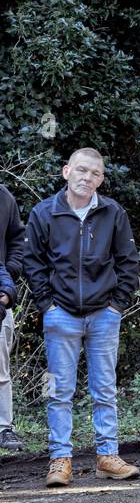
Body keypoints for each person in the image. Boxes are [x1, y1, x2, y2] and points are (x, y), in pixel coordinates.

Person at [24, 148, 140, 487]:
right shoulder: (45, 213)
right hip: (61, 316)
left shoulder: (113, 213)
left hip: (104, 314)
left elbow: (128, 262)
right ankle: (60, 460)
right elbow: (33, 262)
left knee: (104, 388)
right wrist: (47, 304)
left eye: (95, 174)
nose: (87, 178)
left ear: (101, 179)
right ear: (66, 172)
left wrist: (117, 305)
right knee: (59, 391)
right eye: (81, 170)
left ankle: (107, 456)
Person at [0, 182, 24, 451]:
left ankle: (4, 427)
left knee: (0, 367)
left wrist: (8, 282)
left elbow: (18, 240)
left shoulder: (3, 196)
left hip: (1, 294)